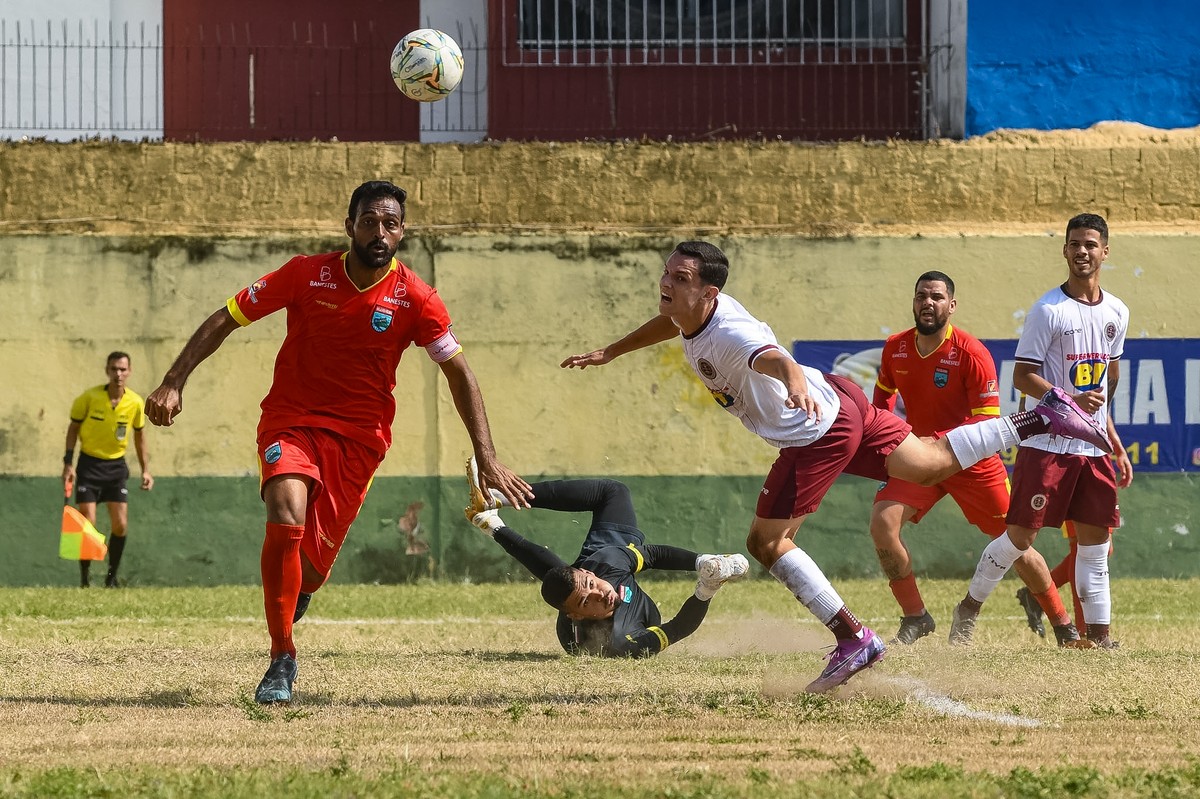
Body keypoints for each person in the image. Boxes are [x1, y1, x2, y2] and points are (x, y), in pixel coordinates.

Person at [561, 241, 1112, 692]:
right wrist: (612, 351)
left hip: (816, 431)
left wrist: (793, 380)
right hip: (844, 399)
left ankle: (854, 638)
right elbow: (671, 324)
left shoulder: (730, 332)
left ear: (708, 292)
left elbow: (768, 355)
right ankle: (1040, 419)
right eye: (668, 273)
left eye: (680, 278)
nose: (668, 283)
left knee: (766, 544)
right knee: (926, 463)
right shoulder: (691, 317)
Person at [145, 180, 532, 704]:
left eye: (390, 224)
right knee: (285, 509)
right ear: (349, 226)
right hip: (292, 421)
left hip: (359, 440)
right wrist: (174, 380)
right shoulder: (306, 274)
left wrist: (486, 456)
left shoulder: (416, 298)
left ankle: (295, 595)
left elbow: (459, 373)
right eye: (369, 221)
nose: (379, 232)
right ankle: (282, 658)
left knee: (306, 573)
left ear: (402, 232)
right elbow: (226, 318)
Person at [949, 213, 1132, 649]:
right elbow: (1023, 377)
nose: (1082, 252)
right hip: (1047, 442)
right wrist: (1066, 401)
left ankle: (1100, 638)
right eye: (1074, 244)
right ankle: (970, 606)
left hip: (1092, 447)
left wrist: (1115, 442)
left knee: (1095, 542)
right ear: (1065, 251)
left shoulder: (1117, 311)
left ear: (1105, 251)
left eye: (1091, 244)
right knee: (1021, 537)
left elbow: (1107, 383)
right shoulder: (1048, 310)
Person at [870, 272, 1075, 645]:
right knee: (882, 525)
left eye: (936, 297)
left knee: (1017, 543)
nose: (927, 303)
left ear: (951, 305)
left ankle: (1063, 625)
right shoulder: (895, 347)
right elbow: (881, 403)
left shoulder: (971, 353)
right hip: (918, 459)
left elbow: (986, 419)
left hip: (973, 461)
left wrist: (939, 444)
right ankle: (915, 617)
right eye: (921, 296)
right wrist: (888, 445)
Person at [463, 458, 749, 657]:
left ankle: (495, 504)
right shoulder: (621, 643)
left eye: (592, 585)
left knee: (610, 496)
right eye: (588, 602)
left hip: (597, 561)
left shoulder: (605, 565)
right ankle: (492, 514)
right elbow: (678, 627)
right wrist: (708, 588)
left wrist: (705, 562)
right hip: (600, 610)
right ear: (574, 615)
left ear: (592, 576)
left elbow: (652, 554)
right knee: (566, 575)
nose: (602, 595)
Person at [63, 351, 154, 588]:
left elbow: (140, 437)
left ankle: (111, 577)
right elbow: (73, 429)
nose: (118, 374)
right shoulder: (89, 398)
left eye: (123, 369)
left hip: (116, 467)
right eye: (114, 369)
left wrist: (146, 470)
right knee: (88, 521)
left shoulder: (135, 402)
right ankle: (84, 578)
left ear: (129, 372)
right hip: (89, 464)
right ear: (107, 370)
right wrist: (68, 463)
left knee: (120, 525)